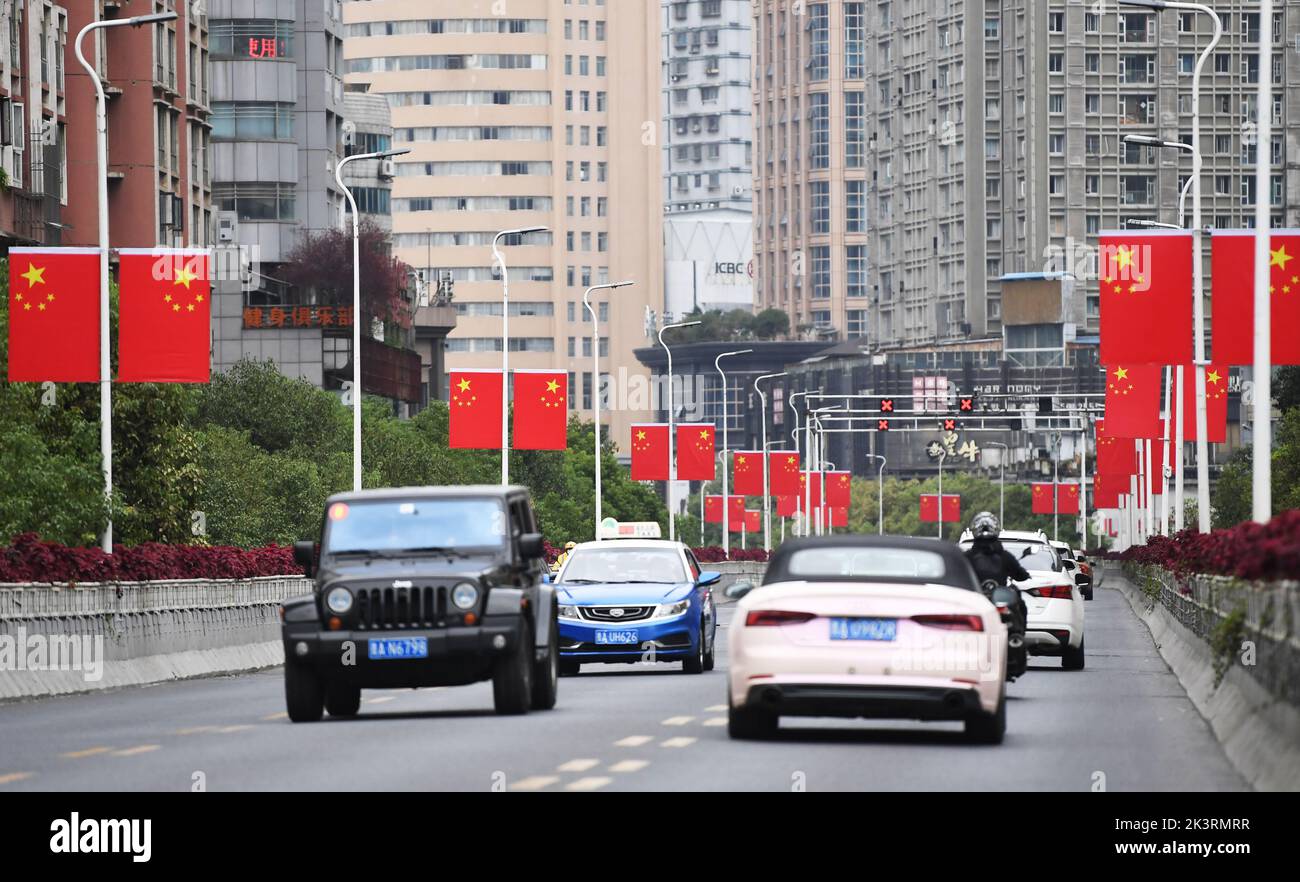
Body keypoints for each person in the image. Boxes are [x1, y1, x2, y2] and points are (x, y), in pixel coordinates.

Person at [963, 512, 1030, 587]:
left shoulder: (967, 557)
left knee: (1015, 593)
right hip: (981, 597)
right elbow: (1020, 576)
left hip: (988, 597)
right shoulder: (1005, 556)